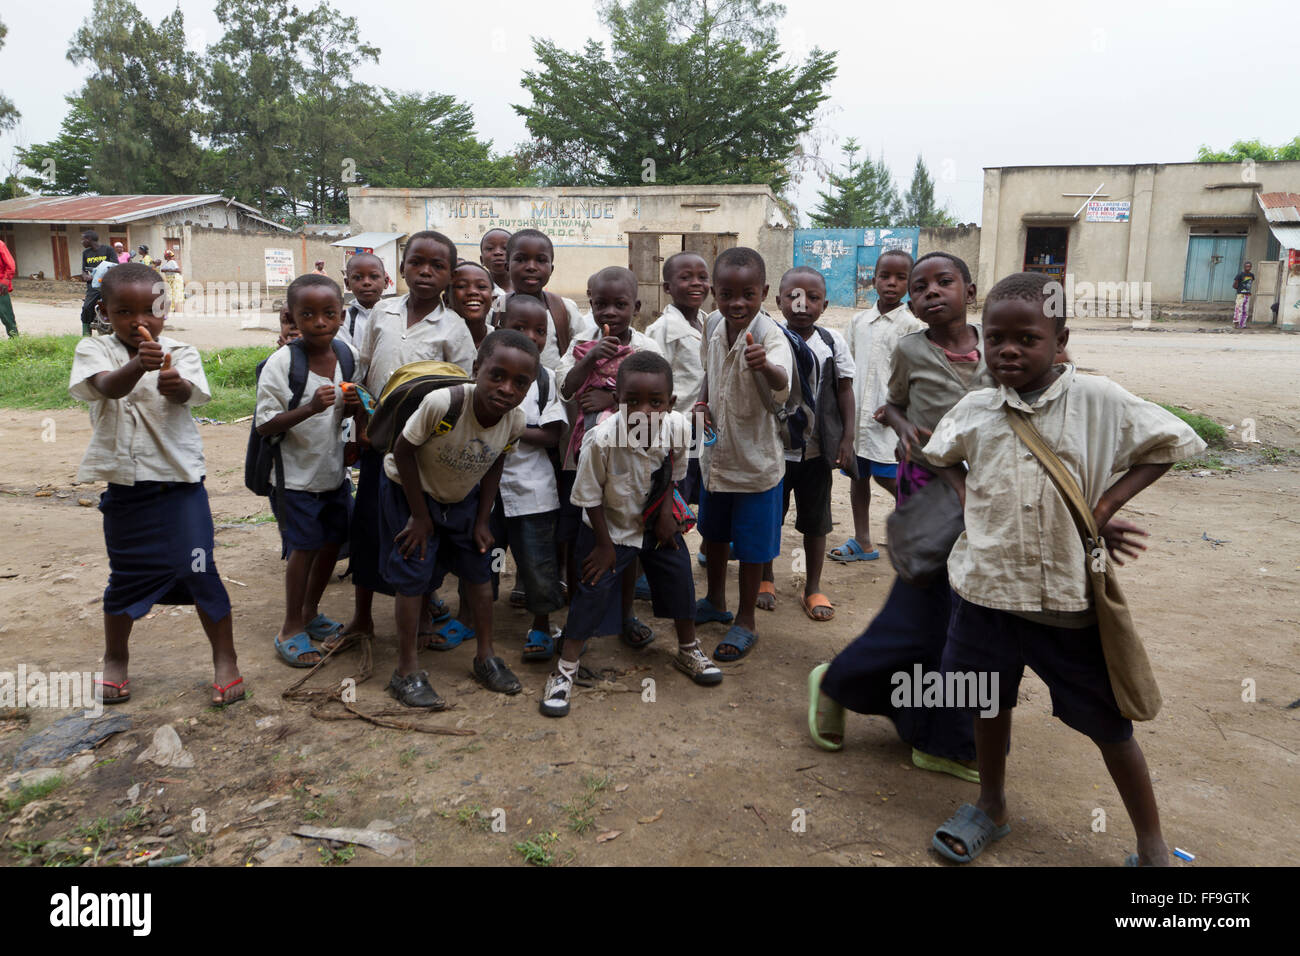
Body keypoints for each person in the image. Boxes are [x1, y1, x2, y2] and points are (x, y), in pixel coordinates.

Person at [922, 271, 1205, 865]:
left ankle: (1151, 844)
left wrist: (1102, 508)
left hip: (1065, 604)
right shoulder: (976, 407)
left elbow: (1172, 441)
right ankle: (991, 805)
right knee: (985, 702)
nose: (1009, 351)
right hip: (985, 595)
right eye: (997, 338)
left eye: (1027, 339)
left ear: (1060, 339)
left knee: (1108, 721)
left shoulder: (1097, 401)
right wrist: (967, 494)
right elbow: (939, 454)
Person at [808, 252, 992, 781]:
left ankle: (935, 732)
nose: (931, 292)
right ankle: (846, 683)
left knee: (963, 619)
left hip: (990, 497)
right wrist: (903, 426)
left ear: (970, 291)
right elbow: (889, 405)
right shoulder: (912, 349)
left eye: (944, 282)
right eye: (920, 286)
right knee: (932, 608)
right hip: (931, 493)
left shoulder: (996, 345)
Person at [68, 263, 244, 706]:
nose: (138, 322)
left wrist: (174, 385)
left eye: (150, 311)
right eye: (124, 311)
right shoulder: (95, 351)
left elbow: (191, 395)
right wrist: (135, 369)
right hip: (128, 490)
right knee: (124, 577)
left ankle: (226, 659)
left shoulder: (181, 351)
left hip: (180, 487)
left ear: (166, 309)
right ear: (105, 311)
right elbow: (105, 388)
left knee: (200, 570)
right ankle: (116, 658)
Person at [539, 350, 721, 717]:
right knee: (589, 591)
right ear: (617, 401)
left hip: (655, 524)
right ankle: (565, 669)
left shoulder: (678, 428)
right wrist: (604, 546)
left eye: (656, 402)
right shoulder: (600, 440)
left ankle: (688, 650)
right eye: (632, 401)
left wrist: (668, 512)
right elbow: (588, 496)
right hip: (609, 530)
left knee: (680, 579)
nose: (644, 411)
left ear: (670, 403)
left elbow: (675, 468)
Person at [380, 329, 538, 707]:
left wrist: (483, 520)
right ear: (476, 369)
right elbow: (402, 452)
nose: (506, 389)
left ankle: (486, 656)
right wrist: (419, 517)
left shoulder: (514, 420)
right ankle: (405, 671)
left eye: (520, 382)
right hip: (410, 493)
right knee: (413, 576)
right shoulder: (443, 403)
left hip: (461, 498)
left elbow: (496, 462)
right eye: (496, 375)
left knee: (480, 573)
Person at [344, 231, 475, 649]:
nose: (425, 272)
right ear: (400, 269)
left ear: (449, 277)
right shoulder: (381, 314)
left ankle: (419, 621)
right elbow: (363, 373)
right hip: (377, 442)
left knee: (415, 531)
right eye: (417, 262)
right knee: (367, 529)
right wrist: (361, 422)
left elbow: (462, 393)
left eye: (437, 266)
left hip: (422, 452)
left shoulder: (453, 328)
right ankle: (361, 618)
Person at [255, 274, 361, 667]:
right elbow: (265, 424)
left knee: (332, 543)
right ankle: (289, 627)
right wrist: (311, 408)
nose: (320, 322)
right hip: (294, 478)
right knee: (303, 549)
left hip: (333, 474)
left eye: (329, 314)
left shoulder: (347, 355)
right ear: (291, 317)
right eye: (309, 314)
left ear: (341, 315)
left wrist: (351, 410)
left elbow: (349, 407)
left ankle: (311, 613)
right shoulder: (282, 364)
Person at [694, 247, 792, 662]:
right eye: (727, 293)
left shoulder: (771, 336)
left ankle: (746, 619)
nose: (737, 303)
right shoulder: (713, 325)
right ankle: (715, 599)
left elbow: (783, 380)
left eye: (747, 294)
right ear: (714, 293)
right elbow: (708, 374)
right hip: (716, 458)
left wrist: (763, 365)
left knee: (752, 547)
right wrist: (701, 404)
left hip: (756, 463)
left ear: (764, 292)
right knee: (713, 534)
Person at [557, 267, 663, 645]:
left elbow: (661, 406)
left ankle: (626, 613)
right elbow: (566, 389)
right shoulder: (580, 344)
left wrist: (613, 399)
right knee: (576, 536)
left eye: (620, 305)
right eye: (601, 305)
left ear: (636, 306)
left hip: (628, 464)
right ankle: (577, 614)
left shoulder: (647, 349)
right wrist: (590, 360)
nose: (610, 313)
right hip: (580, 461)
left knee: (625, 538)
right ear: (591, 304)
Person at [758, 267, 855, 621]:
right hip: (775, 450)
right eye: (794, 297)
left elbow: (844, 391)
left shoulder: (832, 343)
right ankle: (765, 578)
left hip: (815, 452)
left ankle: (812, 586)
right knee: (770, 517)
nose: (802, 305)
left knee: (817, 523)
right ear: (779, 300)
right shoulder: (771, 339)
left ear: (825, 304)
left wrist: (847, 437)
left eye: (812, 298)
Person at [828, 249, 923, 563]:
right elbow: (846, 367)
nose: (891, 283)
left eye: (900, 277)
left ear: (910, 283)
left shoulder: (911, 326)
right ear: (873, 279)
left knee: (892, 479)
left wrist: (899, 409)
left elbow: (915, 376)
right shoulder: (859, 321)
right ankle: (863, 541)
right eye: (885, 276)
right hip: (858, 418)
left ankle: (916, 537)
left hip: (890, 420)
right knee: (858, 478)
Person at [495, 295, 567, 661]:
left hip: (533, 492)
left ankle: (541, 624)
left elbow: (553, 435)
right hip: (486, 495)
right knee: (485, 558)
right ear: (499, 324)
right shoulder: (484, 373)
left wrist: (512, 425)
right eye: (519, 327)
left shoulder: (545, 379)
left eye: (540, 330)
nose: (531, 337)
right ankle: (472, 618)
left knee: (537, 561)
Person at [645, 251, 709, 507]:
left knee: (705, 494)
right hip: (677, 429)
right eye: (686, 277)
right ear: (667, 288)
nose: (696, 283)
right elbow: (652, 382)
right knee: (675, 495)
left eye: (702, 277)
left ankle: (707, 548)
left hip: (705, 428)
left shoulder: (709, 323)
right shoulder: (663, 329)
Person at [490, 229, 595, 370]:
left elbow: (583, 349)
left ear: (551, 269)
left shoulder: (563, 307)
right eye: (521, 259)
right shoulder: (499, 304)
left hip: (552, 389)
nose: (531, 267)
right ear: (507, 266)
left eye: (540, 260)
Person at [338, 252, 387, 347]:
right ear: (347, 284)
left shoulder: (394, 315)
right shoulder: (345, 319)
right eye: (358, 278)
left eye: (374, 277)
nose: (366, 282)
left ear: (386, 282)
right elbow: (344, 352)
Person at [447, 260, 494, 349]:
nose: (473, 292)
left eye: (481, 286)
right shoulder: (437, 341)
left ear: (493, 297)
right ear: (446, 299)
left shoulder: (501, 342)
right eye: (461, 286)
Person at [79, 231, 115, 336]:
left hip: (109, 285)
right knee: (87, 307)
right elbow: (84, 270)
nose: (82, 242)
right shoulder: (86, 253)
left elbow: (115, 265)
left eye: (83, 239)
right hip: (93, 286)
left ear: (89, 239)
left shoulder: (108, 250)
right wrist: (85, 276)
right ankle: (86, 331)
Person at [479, 228, 512, 297]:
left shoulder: (526, 289)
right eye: (490, 248)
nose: (498, 252)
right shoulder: (478, 292)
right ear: (482, 260)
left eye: (505, 248)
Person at [0, 238, 17, 337]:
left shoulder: (0, 245)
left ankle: (15, 343)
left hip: (0, 289)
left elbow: (11, 265)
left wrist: (6, 281)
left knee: (7, 318)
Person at [1232, 261, 1255, 329]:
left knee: (1245, 310)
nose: (1248, 268)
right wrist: (1240, 289)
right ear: (1244, 267)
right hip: (1241, 295)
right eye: (1247, 266)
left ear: (1251, 267)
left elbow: (1250, 283)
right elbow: (1234, 285)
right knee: (1238, 309)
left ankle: (1242, 324)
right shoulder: (1240, 275)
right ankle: (1236, 324)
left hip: (1247, 295)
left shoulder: (1251, 275)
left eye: (1249, 266)